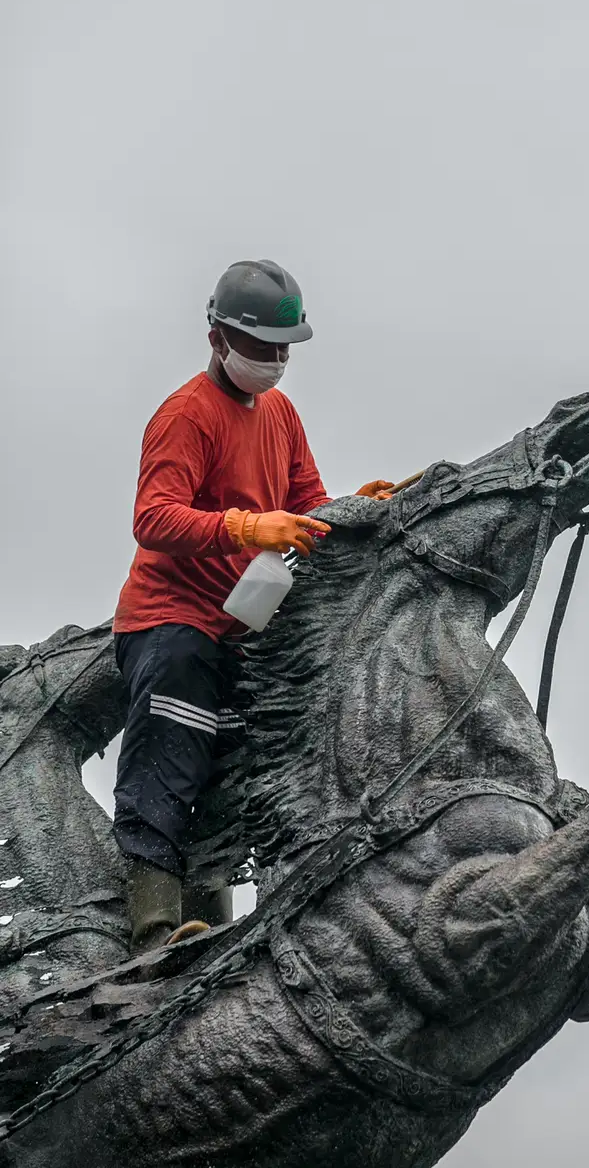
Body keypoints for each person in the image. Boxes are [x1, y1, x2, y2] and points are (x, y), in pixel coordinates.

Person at [112, 259, 391, 952]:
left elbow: (304, 504)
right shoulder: (185, 417)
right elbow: (153, 519)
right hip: (169, 624)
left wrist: (351, 509)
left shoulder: (280, 413)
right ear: (218, 338)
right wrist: (245, 526)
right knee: (173, 750)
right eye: (264, 347)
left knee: (241, 763)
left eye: (285, 348)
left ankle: (216, 914)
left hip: (243, 623)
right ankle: (153, 928)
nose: (276, 361)